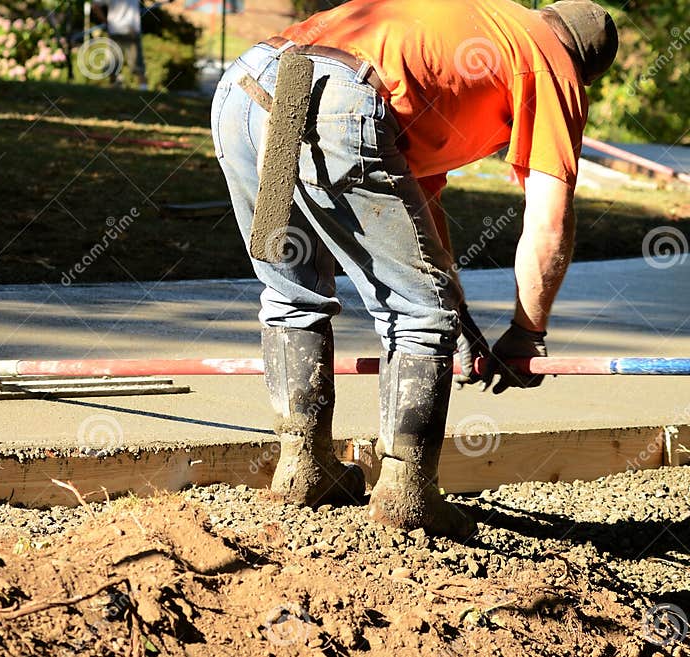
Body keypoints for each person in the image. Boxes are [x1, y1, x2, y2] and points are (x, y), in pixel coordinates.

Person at [210, 0, 617, 538]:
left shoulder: (486, 28)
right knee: (420, 318)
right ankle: (407, 492)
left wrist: (460, 313)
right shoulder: (552, 64)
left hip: (249, 85)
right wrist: (526, 332)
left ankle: (303, 467)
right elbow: (550, 220)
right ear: (584, 71)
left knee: (293, 290)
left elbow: (418, 212)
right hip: (339, 96)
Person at [93, 0, 148, 89]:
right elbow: (95, 6)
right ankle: (143, 89)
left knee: (114, 64)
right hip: (130, 31)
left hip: (118, 30)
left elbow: (95, 6)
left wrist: (106, 22)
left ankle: (116, 87)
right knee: (137, 65)